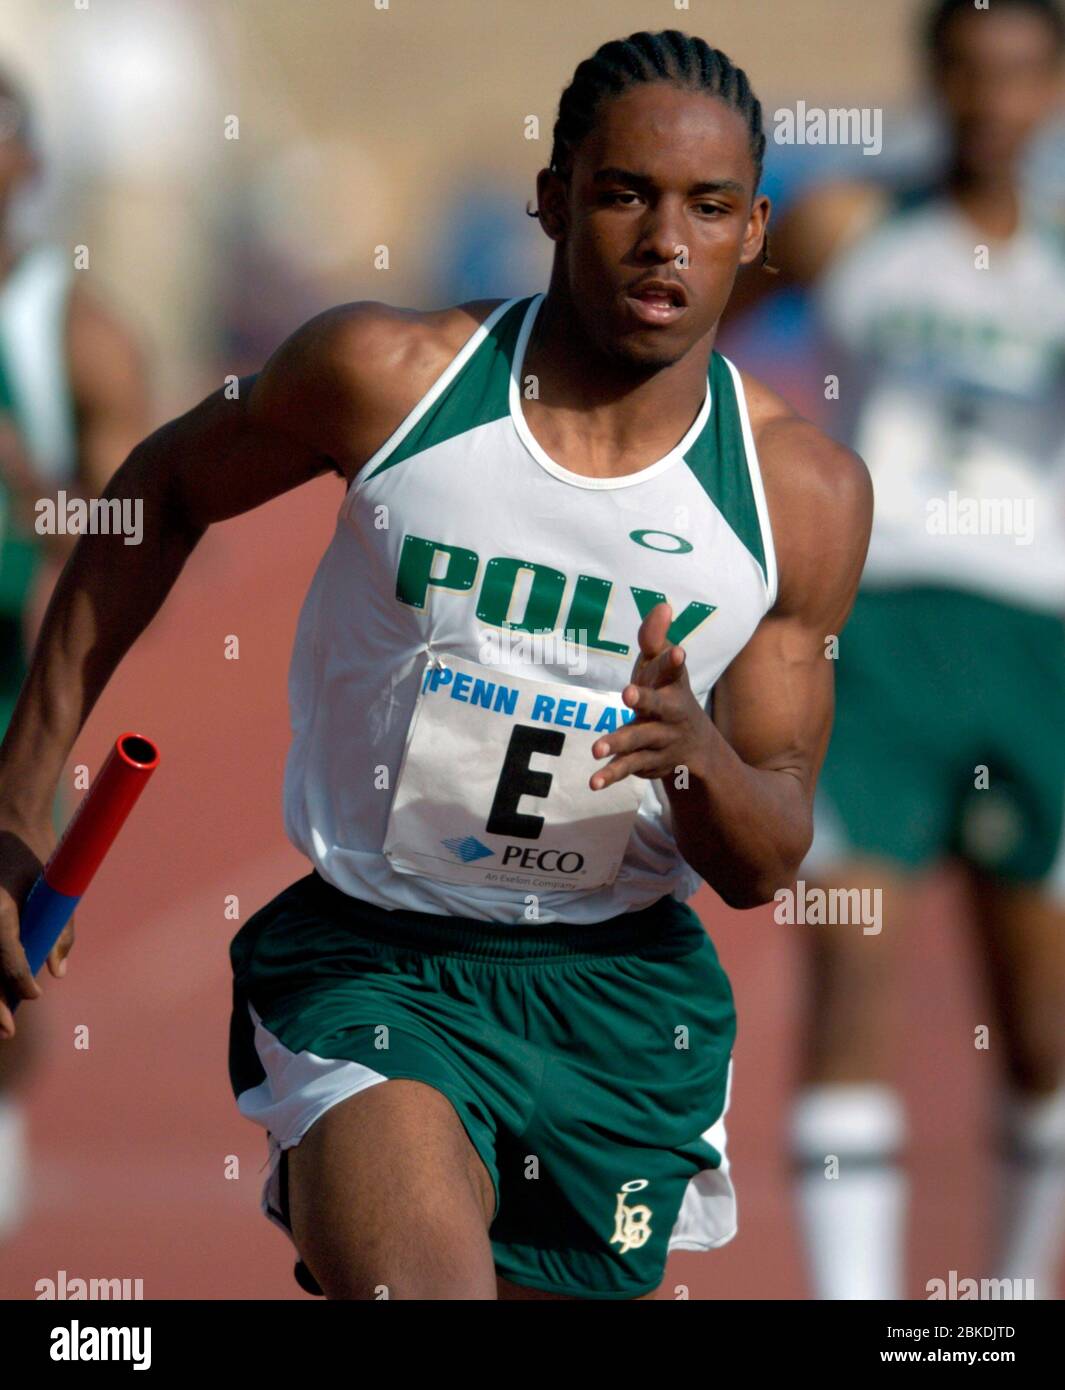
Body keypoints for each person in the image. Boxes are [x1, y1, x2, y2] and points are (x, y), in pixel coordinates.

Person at [0, 29, 871, 1300]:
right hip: (379, 962)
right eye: (625, 194)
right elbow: (160, 490)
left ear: (755, 230)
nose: (663, 241)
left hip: (619, 1004)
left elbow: (770, 854)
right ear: (553, 197)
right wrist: (23, 788)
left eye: (709, 206)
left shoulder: (796, 496)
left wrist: (700, 760)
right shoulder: (388, 377)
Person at [729, 0, 1065, 1299]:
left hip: (1036, 646)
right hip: (870, 638)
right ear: (934, 79)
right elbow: (686, 336)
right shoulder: (848, 226)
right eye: (969, 75)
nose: (994, 102)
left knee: (1038, 1028)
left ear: (1050, 91)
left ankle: (1007, 1293)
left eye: (1023, 76)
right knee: (849, 971)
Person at [0, 69, 148, 1240]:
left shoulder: (73, 335)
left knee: (2, 965)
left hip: (7, 687)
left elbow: (123, 539)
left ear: (27, 166)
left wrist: (18, 471)